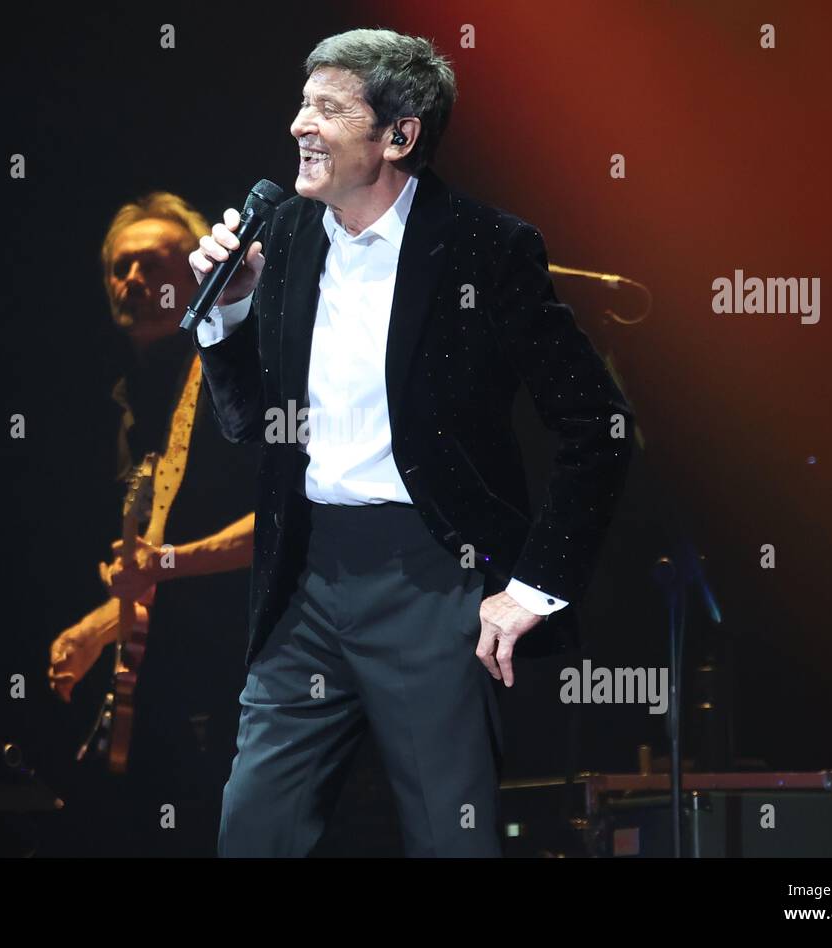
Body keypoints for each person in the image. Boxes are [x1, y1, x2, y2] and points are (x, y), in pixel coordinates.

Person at [189, 28, 635, 857]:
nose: (299, 124)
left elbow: (598, 428)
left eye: (328, 107)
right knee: (254, 829)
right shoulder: (284, 235)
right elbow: (250, 426)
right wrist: (226, 316)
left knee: (449, 835)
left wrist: (535, 586)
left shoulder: (485, 247)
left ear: (400, 136)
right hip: (306, 578)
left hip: (431, 579)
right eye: (301, 102)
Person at [48, 191, 257, 855]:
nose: (132, 281)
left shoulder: (232, 371)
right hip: (166, 688)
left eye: (153, 266)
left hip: (244, 682)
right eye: (120, 267)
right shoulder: (125, 398)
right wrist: (99, 622)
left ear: (197, 276)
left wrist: (165, 563)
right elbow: (151, 562)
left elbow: (292, 518)